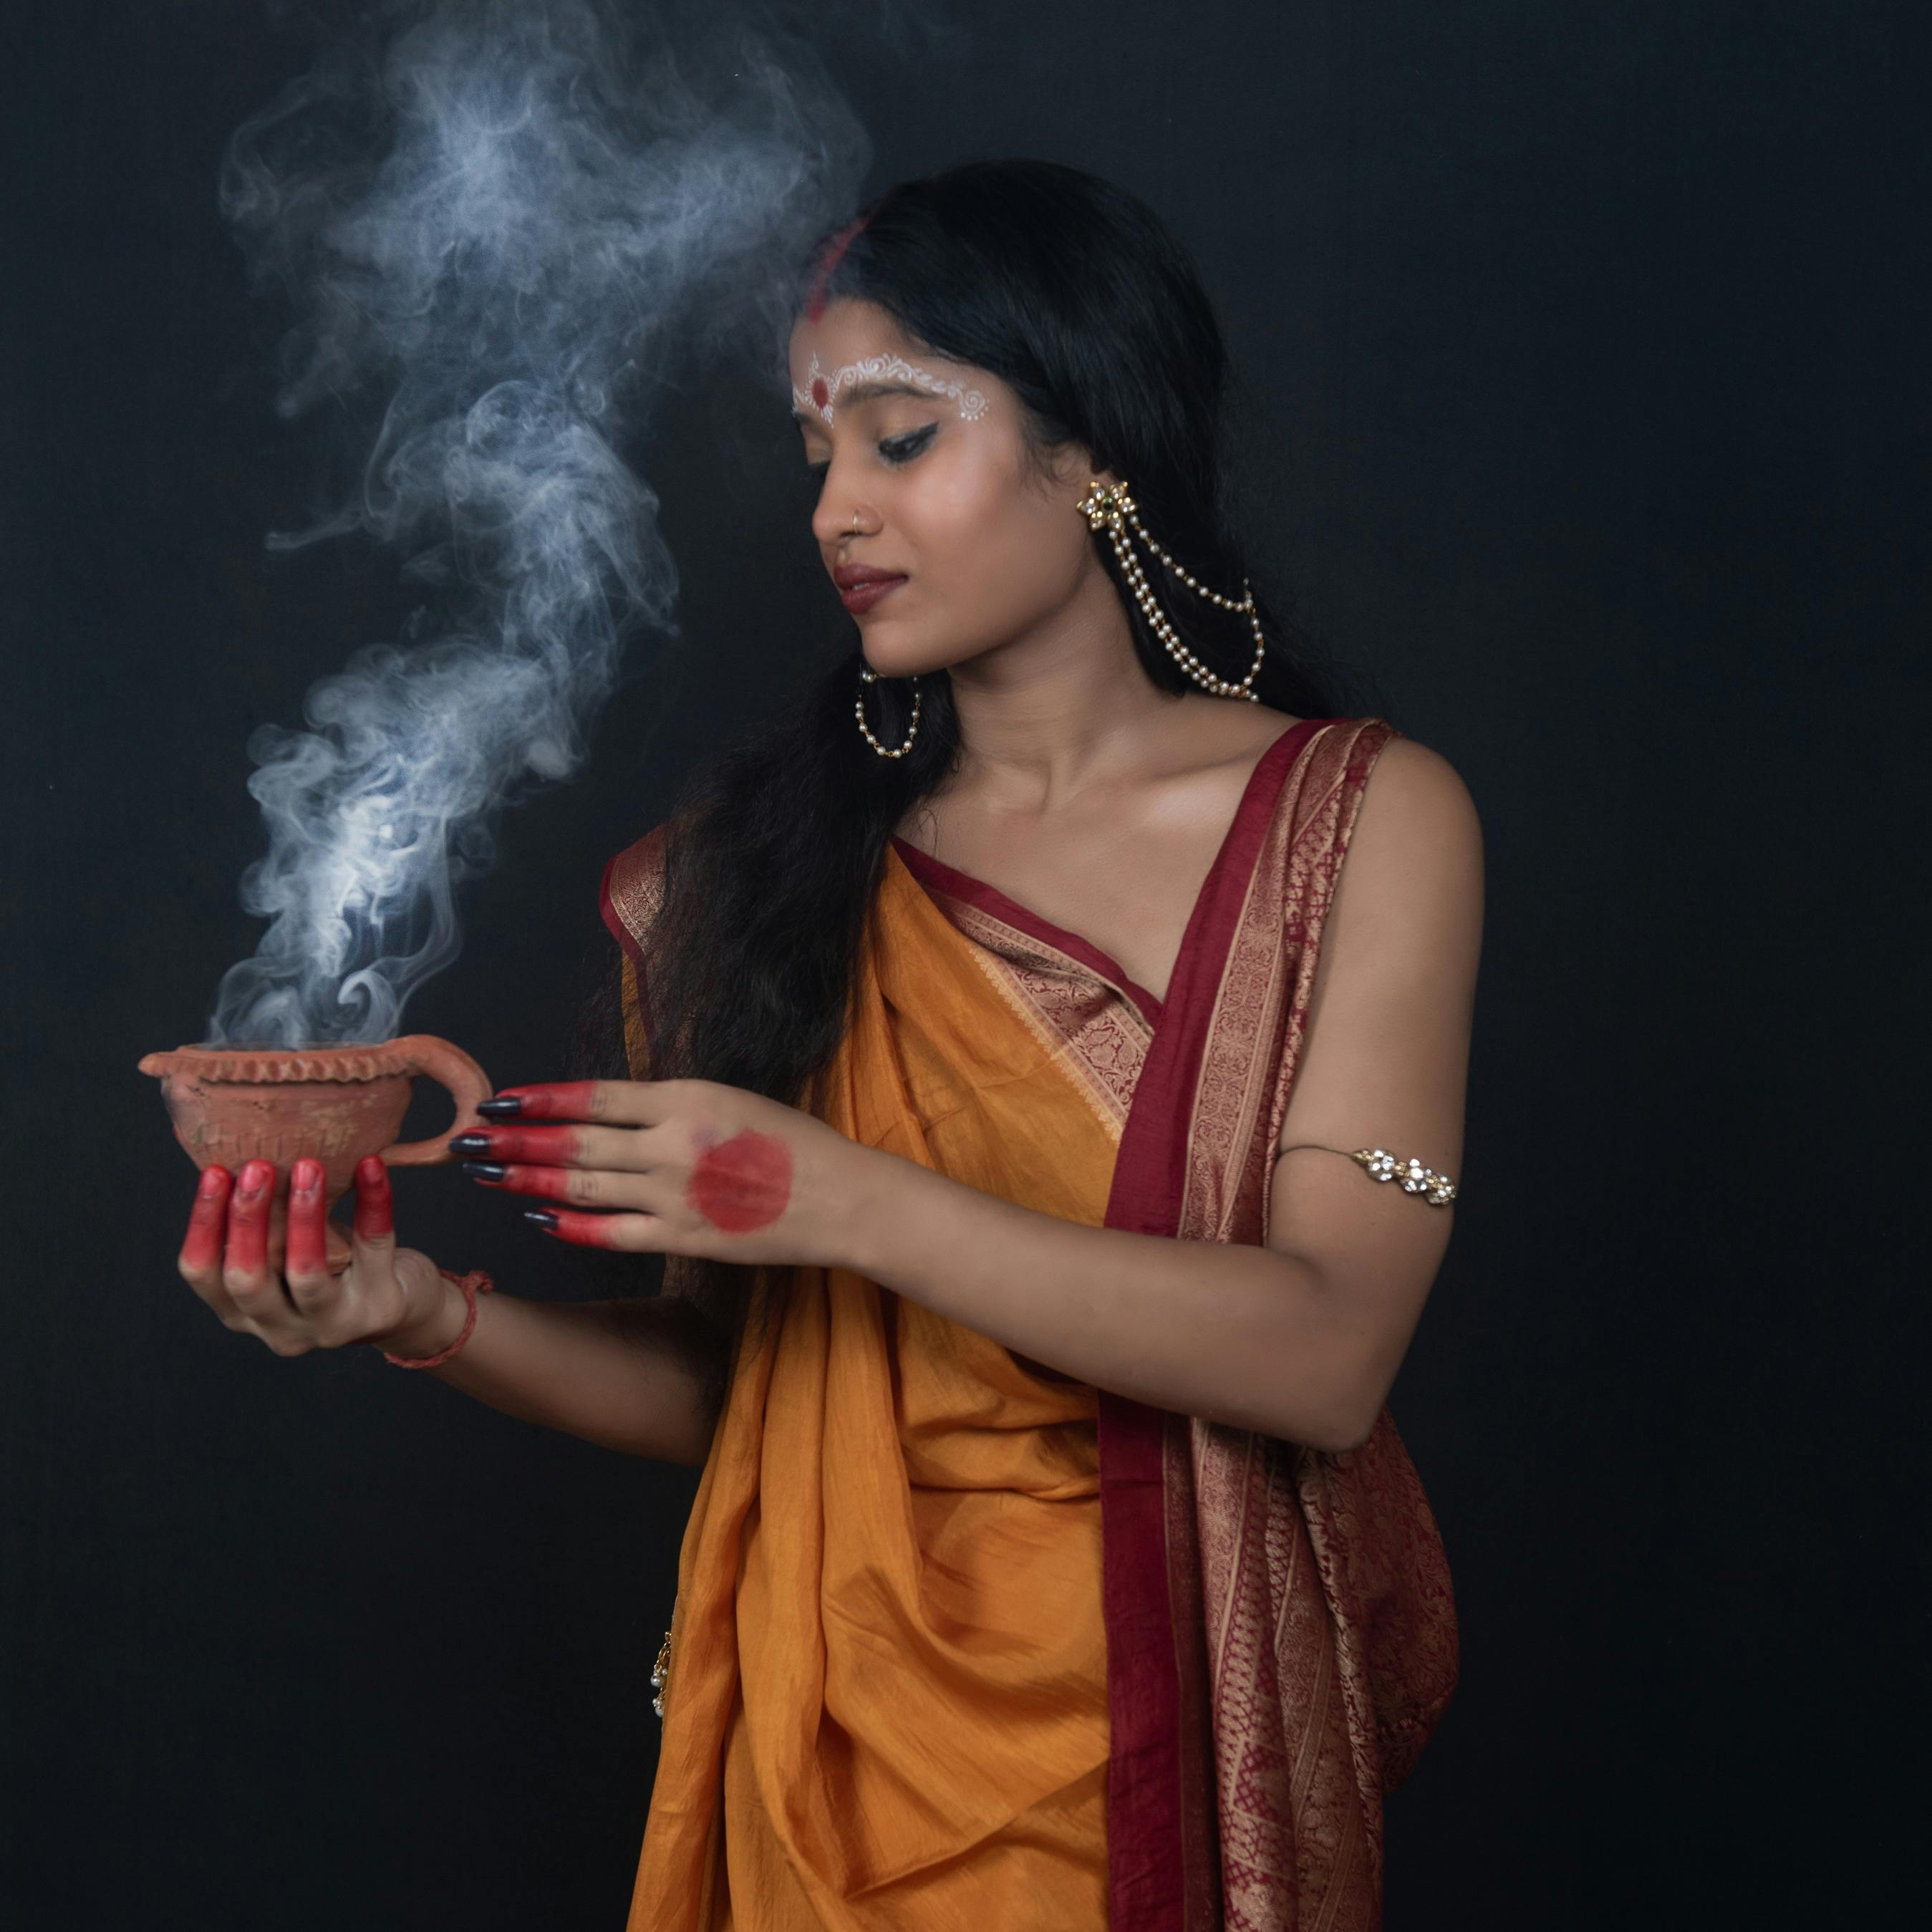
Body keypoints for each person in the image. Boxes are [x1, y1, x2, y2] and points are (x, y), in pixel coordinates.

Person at [175, 158, 1483, 1932]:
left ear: (1090, 444)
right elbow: (749, 1392)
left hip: (1145, 1751)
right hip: (819, 1762)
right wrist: (424, 1316)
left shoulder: (1357, 824)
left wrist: (838, 1196)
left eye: (897, 435)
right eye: (816, 456)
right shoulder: (731, 886)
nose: (834, 512)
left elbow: (1326, 1351)